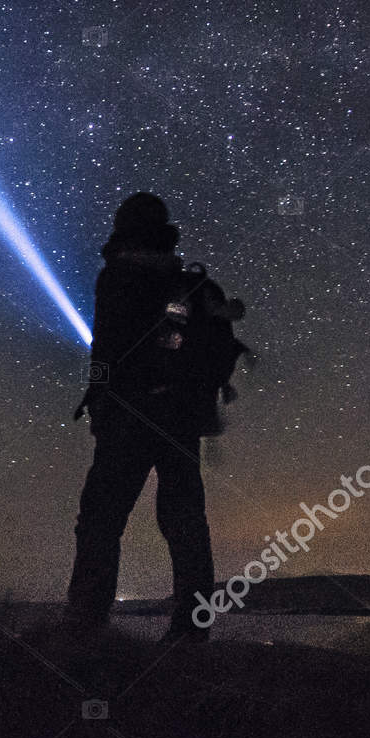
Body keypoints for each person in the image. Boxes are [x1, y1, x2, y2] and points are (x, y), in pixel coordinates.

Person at [67, 193, 247, 643]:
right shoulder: (188, 285)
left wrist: (101, 400)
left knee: (101, 518)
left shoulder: (117, 277)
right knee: (184, 519)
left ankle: (86, 626)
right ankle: (191, 631)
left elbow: (105, 348)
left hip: (129, 413)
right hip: (182, 416)